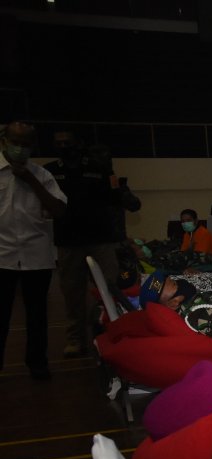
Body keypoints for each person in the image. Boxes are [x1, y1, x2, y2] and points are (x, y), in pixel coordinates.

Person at [45, 129, 123, 358]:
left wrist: (119, 236)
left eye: (67, 142)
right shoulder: (50, 171)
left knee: (110, 287)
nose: (63, 147)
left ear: (78, 144)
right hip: (69, 241)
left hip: (101, 238)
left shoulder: (98, 168)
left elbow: (115, 200)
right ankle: (75, 339)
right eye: (59, 143)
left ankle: (112, 333)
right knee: (72, 293)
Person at [0, 121, 67, 380]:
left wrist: (30, 180)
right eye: (15, 142)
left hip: (37, 256)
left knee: (38, 316)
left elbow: (59, 210)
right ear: (4, 141)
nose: (19, 148)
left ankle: (38, 364)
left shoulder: (42, 175)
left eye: (25, 144)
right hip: (2, 256)